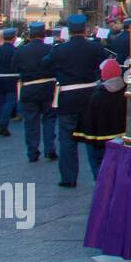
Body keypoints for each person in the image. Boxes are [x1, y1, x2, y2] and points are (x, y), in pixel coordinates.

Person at [41, 14, 114, 188]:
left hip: (67, 97)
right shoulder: (94, 47)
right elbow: (106, 66)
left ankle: (68, 178)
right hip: (91, 96)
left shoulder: (59, 49)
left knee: (67, 139)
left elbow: (45, 65)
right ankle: (99, 175)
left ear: (69, 31)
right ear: (85, 29)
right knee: (92, 136)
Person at [72, 59, 127, 181]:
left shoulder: (96, 95)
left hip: (100, 141)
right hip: (122, 138)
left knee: (98, 164)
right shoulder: (127, 93)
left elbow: (88, 121)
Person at [15, 22, 57, 162]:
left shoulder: (21, 50)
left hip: (29, 89)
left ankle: (32, 152)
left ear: (30, 35)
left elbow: (14, 68)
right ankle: (50, 149)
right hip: (48, 88)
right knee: (49, 119)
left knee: (31, 122)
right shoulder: (50, 49)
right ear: (44, 35)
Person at [0, 27, 20, 137]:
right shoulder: (16, 50)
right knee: (10, 102)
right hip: (12, 78)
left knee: (1, 102)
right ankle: (2, 123)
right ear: (14, 38)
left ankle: (2, 124)